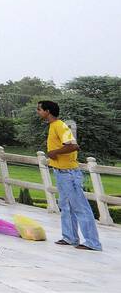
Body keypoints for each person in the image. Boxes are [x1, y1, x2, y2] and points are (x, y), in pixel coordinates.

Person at [38, 100, 102, 251]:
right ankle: (69, 237)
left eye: (39, 109)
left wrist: (54, 152)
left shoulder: (60, 125)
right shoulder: (53, 126)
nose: (38, 112)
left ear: (47, 111)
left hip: (69, 174)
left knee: (80, 207)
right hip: (61, 172)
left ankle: (92, 243)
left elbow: (73, 146)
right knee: (65, 206)